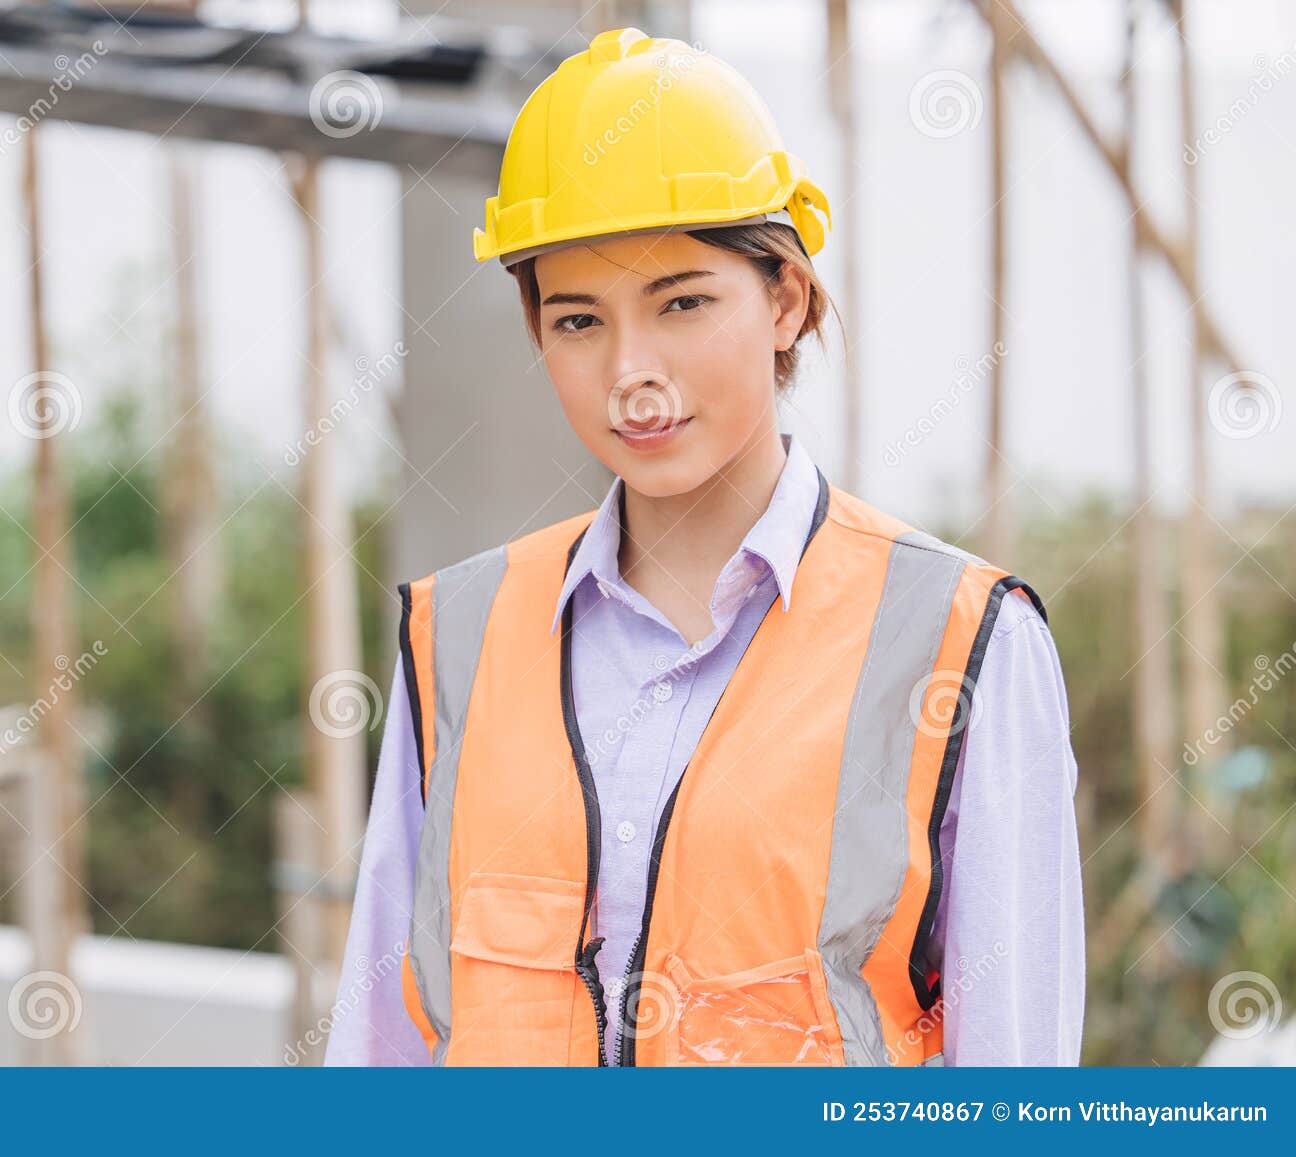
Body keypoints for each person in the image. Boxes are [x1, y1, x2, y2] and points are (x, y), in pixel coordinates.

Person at [324, 27, 1084, 1067]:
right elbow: (383, 1050)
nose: (632, 370)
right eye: (579, 319)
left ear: (784, 297)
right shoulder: (453, 634)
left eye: (681, 301)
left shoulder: (963, 643)